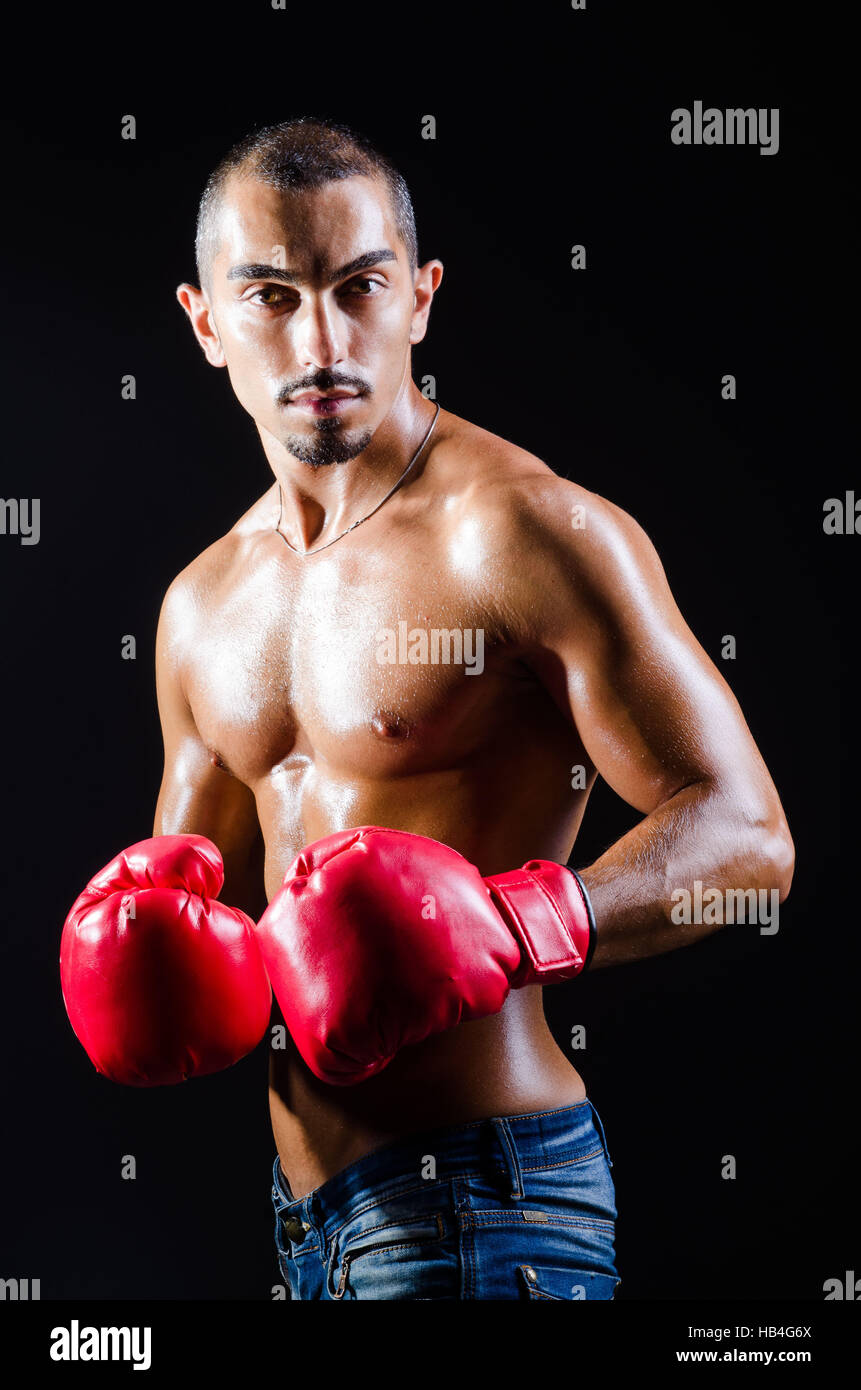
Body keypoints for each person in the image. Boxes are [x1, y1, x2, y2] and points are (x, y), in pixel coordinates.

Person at [60, 118, 794, 1301]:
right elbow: (211, 916)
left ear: (421, 299)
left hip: (491, 1200)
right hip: (305, 1227)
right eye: (271, 297)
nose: (323, 340)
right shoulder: (199, 606)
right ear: (204, 322)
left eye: (360, 287)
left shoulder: (525, 534)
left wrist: (515, 925)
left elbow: (752, 839)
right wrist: (144, 962)